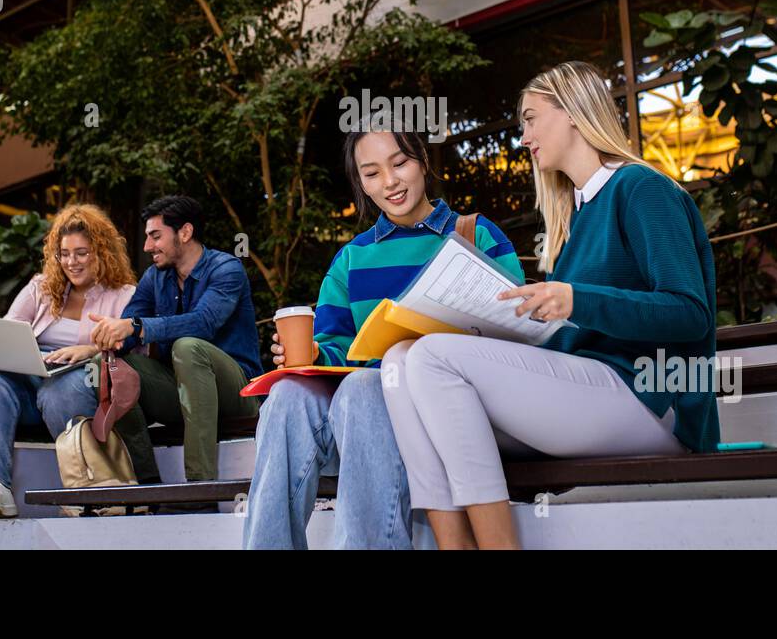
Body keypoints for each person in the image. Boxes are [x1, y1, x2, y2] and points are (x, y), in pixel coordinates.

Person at [382, 60, 720, 549]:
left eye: (530, 118)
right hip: (589, 398)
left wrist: (575, 299)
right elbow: (571, 337)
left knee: (432, 357)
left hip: (650, 401)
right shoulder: (577, 216)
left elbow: (690, 314)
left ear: (573, 113)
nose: (523, 136)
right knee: (398, 363)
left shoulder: (641, 188)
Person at [242, 127, 525, 549]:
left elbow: (515, 329)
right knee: (286, 396)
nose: (390, 182)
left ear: (423, 163)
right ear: (362, 184)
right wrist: (316, 352)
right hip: (362, 428)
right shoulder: (352, 259)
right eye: (372, 173)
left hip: (445, 414)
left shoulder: (474, 235)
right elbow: (337, 346)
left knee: (364, 386)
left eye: (400, 163)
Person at [87, 195, 263, 506]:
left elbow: (204, 323)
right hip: (184, 392)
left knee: (188, 346)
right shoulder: (156, 277)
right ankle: (147, 486)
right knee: (118, 366)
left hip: (239, 394)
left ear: (184, 232)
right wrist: (111, 336)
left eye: (155, 236)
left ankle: (199, 488)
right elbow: (130, 325)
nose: (147, 246)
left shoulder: (227, 268)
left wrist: (136, 326)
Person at [0, 203, 137, 519]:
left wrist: (90, 351)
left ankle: (81, 489)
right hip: (31, 385)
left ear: (102, 251)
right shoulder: (40, 288)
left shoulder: (124, 295)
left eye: (82, 253)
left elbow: (135, 350)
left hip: (81, 385)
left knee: (60, 390)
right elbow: (7, 329)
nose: (72, 262)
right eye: (65, 253)